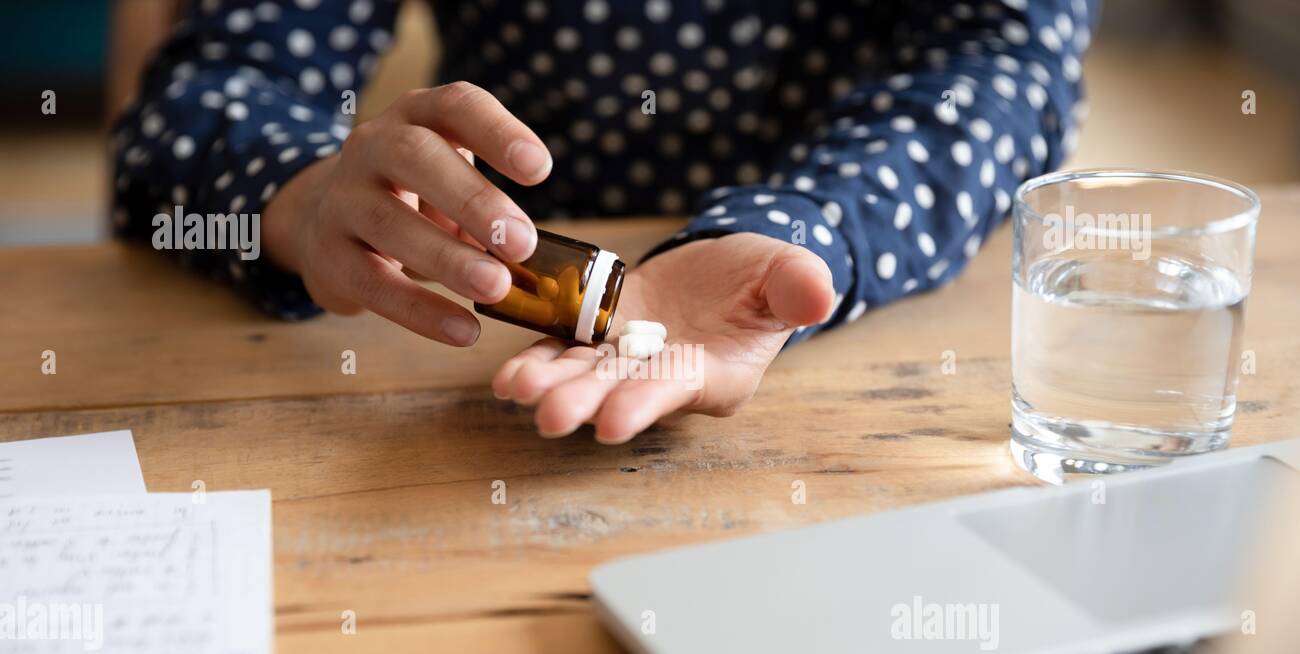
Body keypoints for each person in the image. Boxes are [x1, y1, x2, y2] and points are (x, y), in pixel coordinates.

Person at [112, 0, 1096, 444]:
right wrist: (303, 199)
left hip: (855, 344)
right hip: (493, 343)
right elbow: (191, 111)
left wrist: (802, 224)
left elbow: (1005, 68)